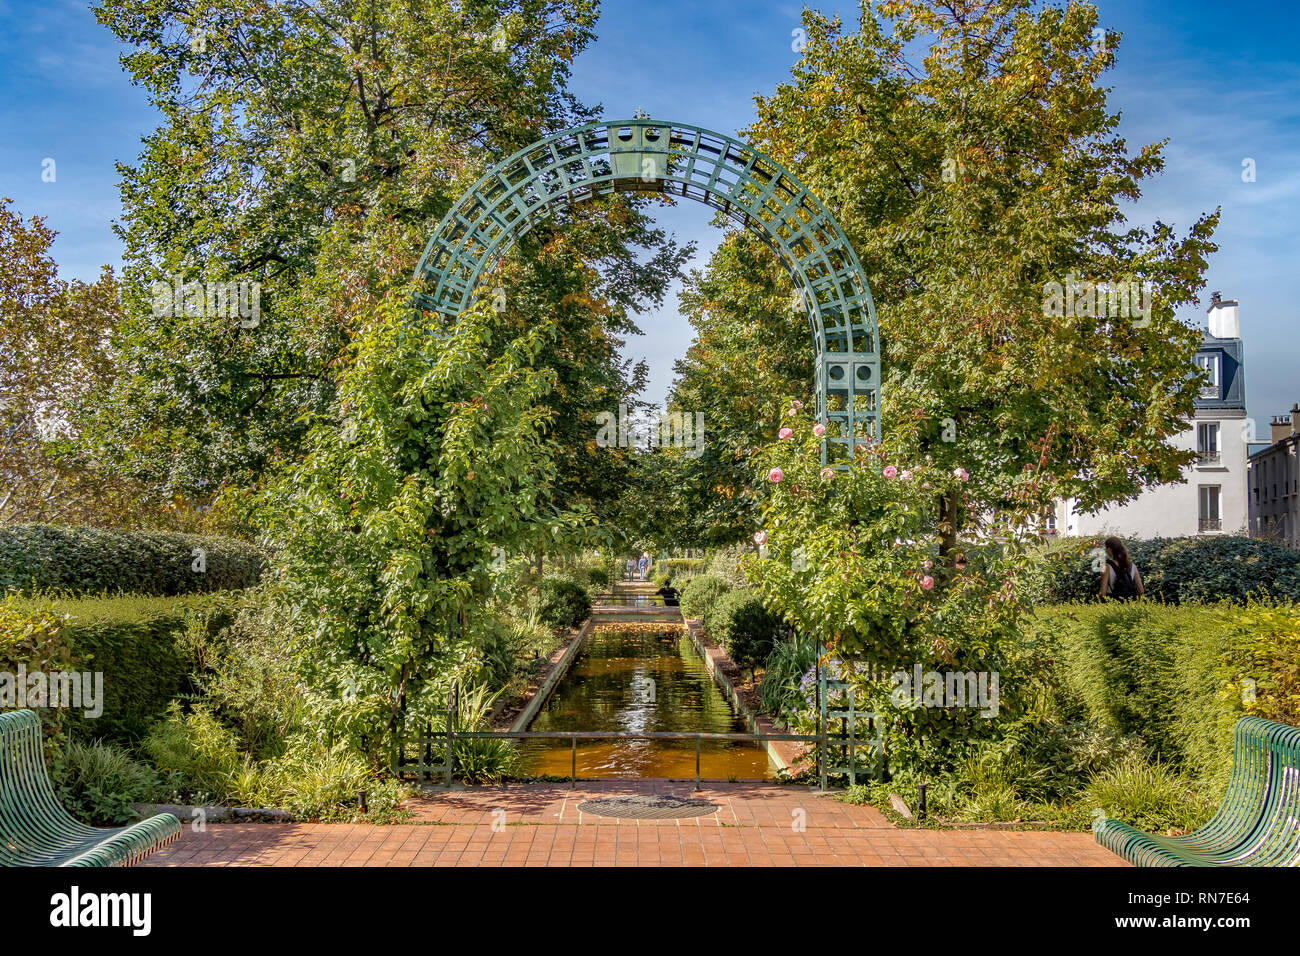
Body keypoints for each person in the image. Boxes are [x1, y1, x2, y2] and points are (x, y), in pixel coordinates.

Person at [1100, 536, 1143, 601]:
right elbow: (1141, 591)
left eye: (1106, 548)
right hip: (1130, 605)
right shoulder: (1132, 566)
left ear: (1109, 549)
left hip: (1113, 604)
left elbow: (1102, 593)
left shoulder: (1107, 566)